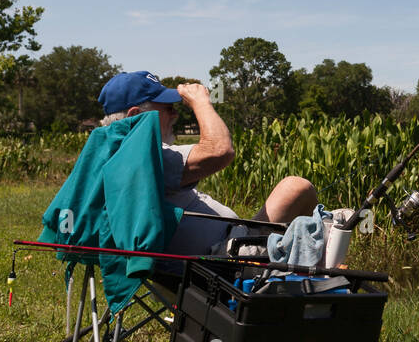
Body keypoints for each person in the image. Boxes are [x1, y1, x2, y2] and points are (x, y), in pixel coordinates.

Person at [97, 70, 317, 257]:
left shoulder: (115, 160)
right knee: (297, 187)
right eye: (167, 108)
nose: (175, 115)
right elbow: (220, 150)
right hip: (225, 261)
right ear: (137, 116)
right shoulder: (148, 159)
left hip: (224, 249)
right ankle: (324, 284)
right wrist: (201, 103)